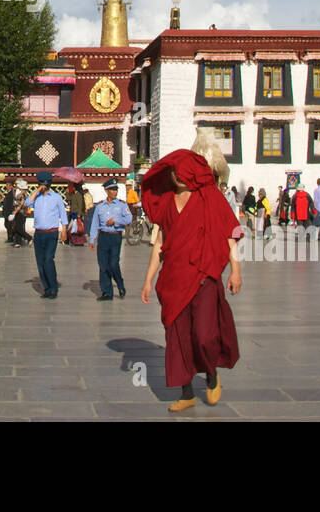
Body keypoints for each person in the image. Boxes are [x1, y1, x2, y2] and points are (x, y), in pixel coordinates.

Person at [139, 147, 243, 413]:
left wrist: (235, 270)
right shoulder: (166, 203)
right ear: (171, 175)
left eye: (186, 172)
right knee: (178, 338)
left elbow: (229, 234)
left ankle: (210, 373)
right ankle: (186, 392)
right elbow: (159, 245)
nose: (181, 177)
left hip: (204, 277)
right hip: (173, 279)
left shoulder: (210, 198)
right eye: (176, 172)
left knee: (203, 334)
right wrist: (148, 279)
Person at [89, 178, 132, 300]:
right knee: (103, 265)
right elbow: (95, 224)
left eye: (116, 189)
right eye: (112, 190)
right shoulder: (99, 206)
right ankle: (107, 292)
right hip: (103, 237)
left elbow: (129, 219)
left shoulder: (122, 205)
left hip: (115, 237)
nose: (115, 192)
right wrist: (92, 239)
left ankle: (119, 283)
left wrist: (116, 221)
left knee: (113, 264)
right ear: (107, 191)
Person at [27, 171, 67, 299]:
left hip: (51, 233)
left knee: (48, 260)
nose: (44, 186)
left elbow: (63, 214)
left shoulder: (56, 197)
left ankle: (53, 288)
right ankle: (47, 288)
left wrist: (64, 230)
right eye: (41, 183)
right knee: (40, 262)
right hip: (39, 234)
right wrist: (37, 190)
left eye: (45, 184)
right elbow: (27, 203)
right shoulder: (36, 197)